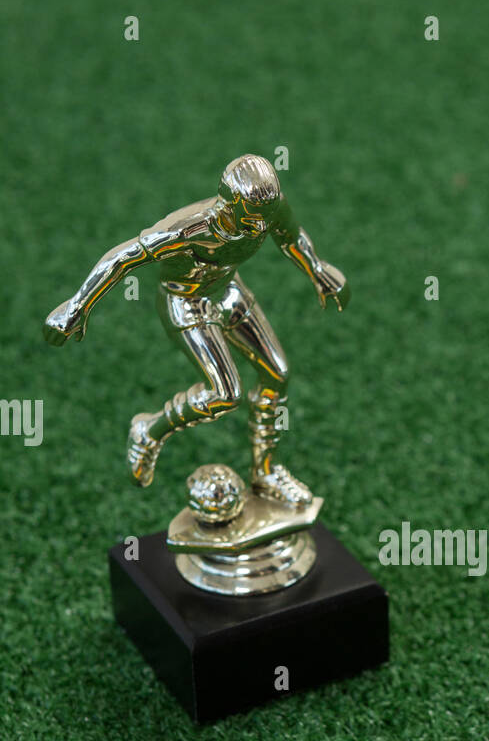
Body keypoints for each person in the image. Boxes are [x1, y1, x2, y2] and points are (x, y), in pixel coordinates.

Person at [44, 154, 349, 505]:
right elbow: (122, 258)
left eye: (264, 220)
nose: (260, 229)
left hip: (229, 291)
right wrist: (78, 306)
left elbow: (289, 236)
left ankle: (265, 472)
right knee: (225, 394)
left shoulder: (267, 209)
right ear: (228, 203)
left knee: (277, 374)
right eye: (251, 221)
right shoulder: (186, 230)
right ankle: (150, 430)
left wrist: (316, 270)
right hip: (186, 302)